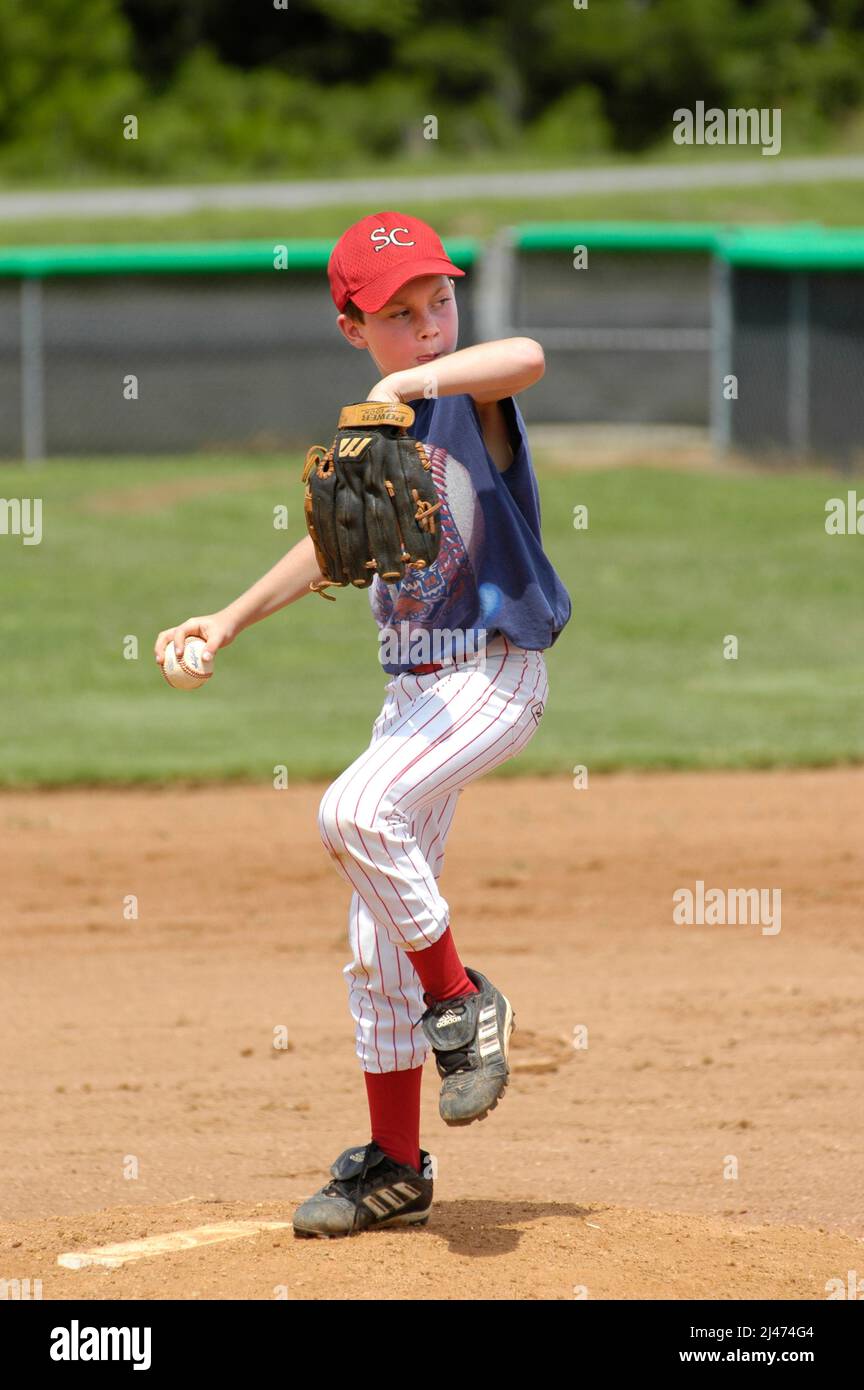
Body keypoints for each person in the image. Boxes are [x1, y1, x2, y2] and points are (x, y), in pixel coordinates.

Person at [154, 210, 572, 1239]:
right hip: (415, 696)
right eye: (400, 314)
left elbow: (528, 356)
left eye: (440, 301)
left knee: (350, 809)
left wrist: (411, 382)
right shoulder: (373, 434)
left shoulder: (464, 394)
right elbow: (329, 548)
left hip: (493, 675)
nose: (429, 324)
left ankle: (467, 1001)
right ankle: (394, 1162)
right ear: (353, 326)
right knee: (372, 945)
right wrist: (229, 618)